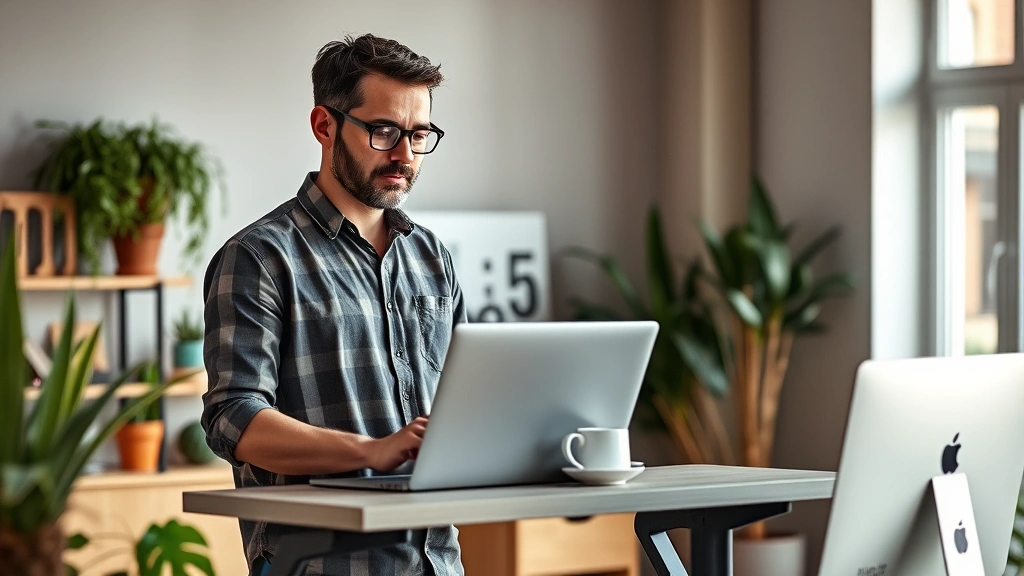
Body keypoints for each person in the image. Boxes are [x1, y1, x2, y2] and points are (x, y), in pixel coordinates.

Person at [201, 34, 466, 576]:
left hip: (436, 562)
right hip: (320, 563)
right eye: (384, 131)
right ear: (325, 126)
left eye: (419, 135)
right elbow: (234, 420)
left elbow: (467, 403)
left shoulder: (432, 256)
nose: (405, 155)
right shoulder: (258, 257)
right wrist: (371, 451)